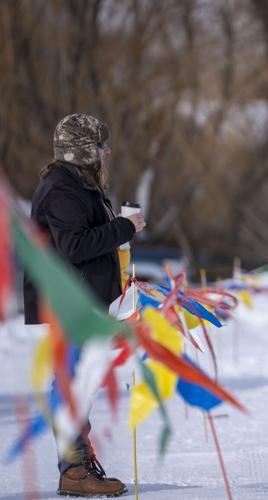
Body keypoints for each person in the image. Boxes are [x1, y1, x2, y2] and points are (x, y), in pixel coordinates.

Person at [23, 113, 145, 497]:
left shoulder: (78, 185)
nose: (106, 151)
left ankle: (79, 463)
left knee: (80, 382)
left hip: (81, 302)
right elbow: (74, 246)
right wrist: (125, 226)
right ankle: (74, 471)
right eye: (99, 145)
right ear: (83, 150)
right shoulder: (61, 189)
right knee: (71, 382)